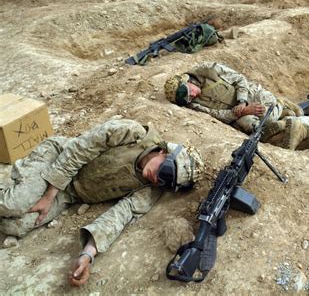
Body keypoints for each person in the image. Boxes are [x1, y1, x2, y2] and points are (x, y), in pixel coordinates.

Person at [0, 119, 204, 286]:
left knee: (15, 226)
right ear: (164, 152)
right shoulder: (132, 133)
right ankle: (20, 187)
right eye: (165, 171)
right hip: (56, 159)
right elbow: (81, 148)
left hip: (70, 193)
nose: (158, 179)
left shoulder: (150, 189)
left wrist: (87, 255)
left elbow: (121, 215)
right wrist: (48, 196)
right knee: (15, 204)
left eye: (166, 182)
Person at [163, 62, 303, 134]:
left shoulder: (208, 70)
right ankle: (283, 116)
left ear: (186, 81)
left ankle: (280, 104)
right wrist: (243, 111)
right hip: (237, 114)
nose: (192, 96)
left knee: (269, 117)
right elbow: (216, 114)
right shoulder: (192, 104)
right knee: (252, 126)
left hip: (252, 94)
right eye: (188, 98)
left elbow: (239, 79)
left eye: (189, 91)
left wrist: (242, 101)